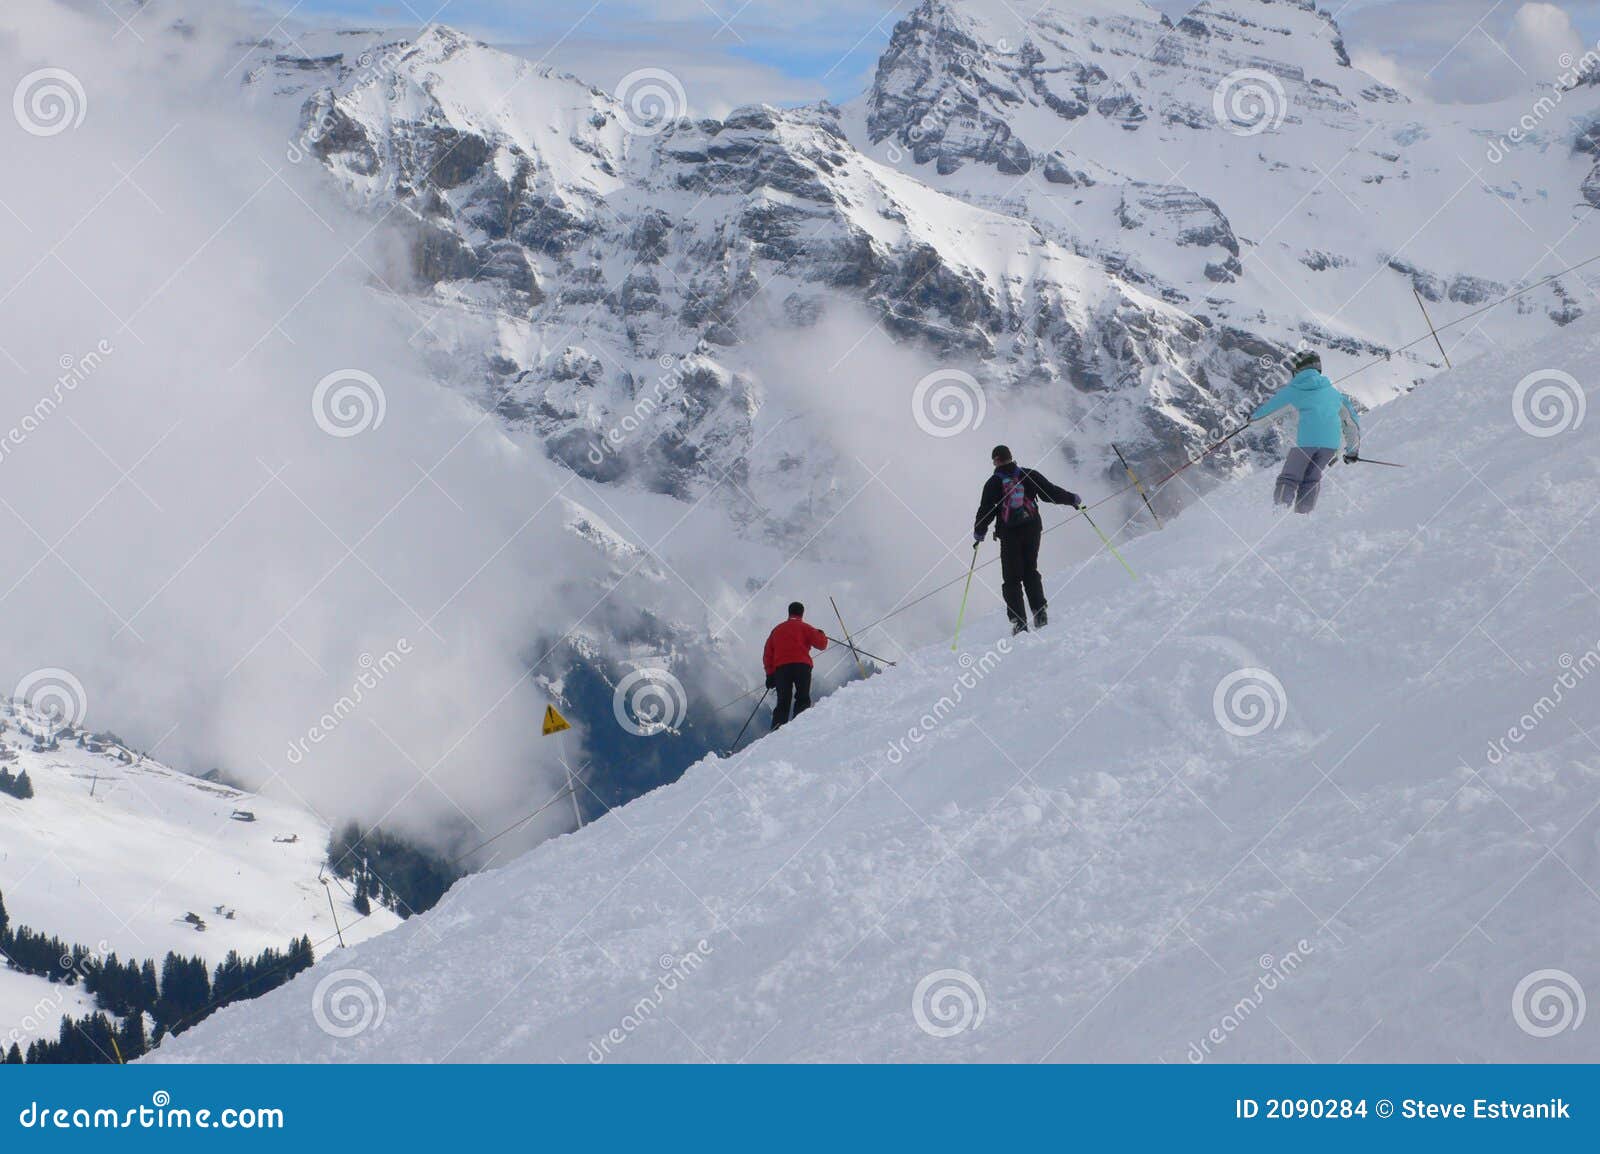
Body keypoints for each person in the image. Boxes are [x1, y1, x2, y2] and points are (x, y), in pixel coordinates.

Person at [973, 445, 1083, 635]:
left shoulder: (993, 483)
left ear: (996, 460)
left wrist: (979, 533)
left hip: (1009, 534)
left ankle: (1019, 622)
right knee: (1030, 570)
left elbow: (986, 510)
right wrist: (1072, 499)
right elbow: (1050, 493)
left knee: (1011, 578)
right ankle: (1040, 613)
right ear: (1010, 457)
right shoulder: (1028, 474)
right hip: (1032, 529)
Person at [1251, 350, 1361, 514]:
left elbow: (1263, 417)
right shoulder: (1334, 393)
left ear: (1297, 369)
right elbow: (1352, 423)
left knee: (1289, 478)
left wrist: (1252, 421)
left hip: (1304, 442)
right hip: (1330, 445)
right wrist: (1352, 451)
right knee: (1311, 479)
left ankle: (1277, 514)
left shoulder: (1293, 391)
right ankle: (1303, 515)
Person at [763, 602, 828, 729]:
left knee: (783, 702)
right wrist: (822, 634)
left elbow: (767, 654)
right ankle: (800, 728)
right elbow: (822, 645)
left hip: (781, 669)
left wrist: (770, 675)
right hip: (802, 666)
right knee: (802, 698)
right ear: (802, 613)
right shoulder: (806, 628)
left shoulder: (777, 630)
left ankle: (777, 730)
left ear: (789, 613)